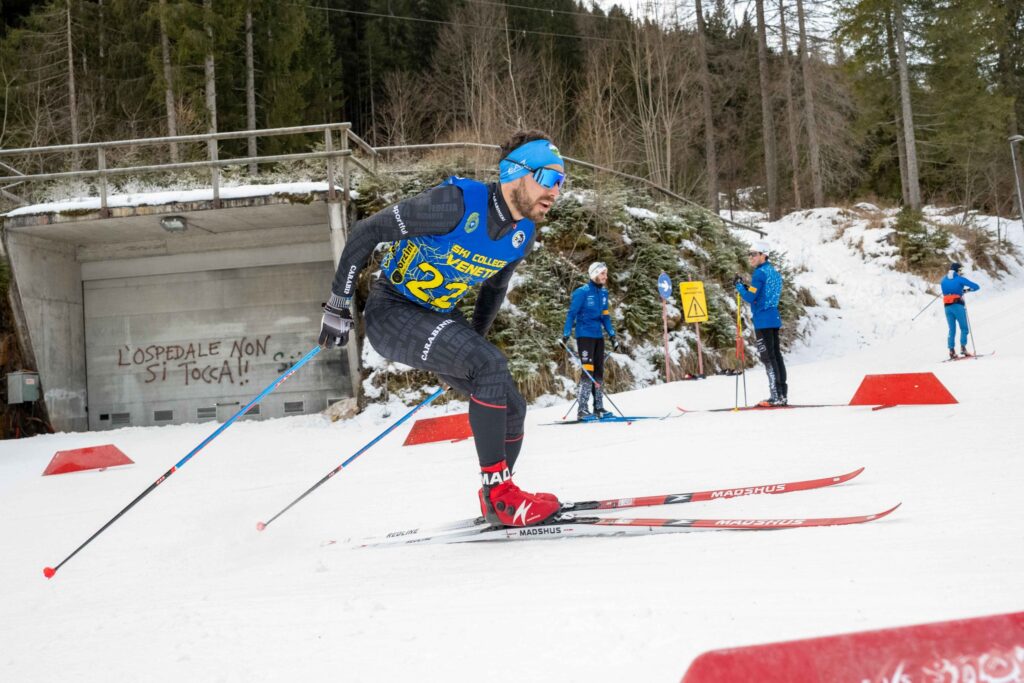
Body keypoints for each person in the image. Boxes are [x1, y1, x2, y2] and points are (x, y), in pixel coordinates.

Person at [317, 130, 565, 528]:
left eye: (562, 182)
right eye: (548, 178)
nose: (555, 191)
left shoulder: (522, 236)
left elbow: (494, 288)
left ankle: (497, 497)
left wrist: (472, 346)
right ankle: (502, 499)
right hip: (392, 312)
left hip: (437, 316)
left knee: (511, 405)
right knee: (489, 366)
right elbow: (368, 230)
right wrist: (337, 304)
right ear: (514, 172)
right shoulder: (455, 204)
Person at [562, 261, 619, 420]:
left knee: (599, 371)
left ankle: (598, 408)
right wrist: (566, 334)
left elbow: (605, 317)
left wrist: (612, 336)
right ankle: (582, 409)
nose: (606, 276)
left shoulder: (603, 293)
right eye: (603, 273)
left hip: (598, 337)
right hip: (584, 336)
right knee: (588, 371)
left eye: (606, 273)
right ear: (594, 274)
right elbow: (571, 314)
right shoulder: (582, 292)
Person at [734, 240, 787, 407]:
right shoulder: (774, 272)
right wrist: (746, 287)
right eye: (749, 254)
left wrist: (739, 287)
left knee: (768, 357)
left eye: (754, 254)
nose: (750, 257)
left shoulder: (759, 273)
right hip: (773, 318)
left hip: (763, 320)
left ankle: (775, 396)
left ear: (764, 255)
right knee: (776, 356)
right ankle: (782, 394)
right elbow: (760, 293)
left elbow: (751, 297)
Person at [940, 262, 980, 359]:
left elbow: (946, 290)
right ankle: (963, 348)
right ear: (957, 270)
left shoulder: (943, 280)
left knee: (952, 329)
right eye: (960, 270)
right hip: (958, 306)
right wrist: (966, 290)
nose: (960, 272)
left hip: (947, 307)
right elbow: (976, 287)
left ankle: (951, 351)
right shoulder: (960, 279)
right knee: (964, 328)